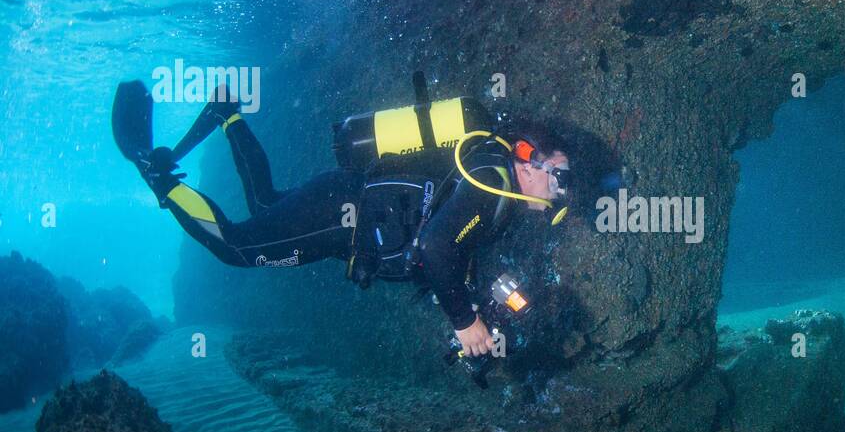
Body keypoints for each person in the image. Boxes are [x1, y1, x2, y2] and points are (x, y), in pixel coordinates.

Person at [111, 80, 570, 357]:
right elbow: (434, 247)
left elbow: (443, 241)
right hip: (341, 217)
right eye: (560, 179)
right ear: (532, 162)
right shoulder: (492, 183)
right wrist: (464, 321)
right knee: (236, 248)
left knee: (267, 205)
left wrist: (471, 302)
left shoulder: (489, 178)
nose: (561, 193)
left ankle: (228, 115)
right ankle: (161, 181)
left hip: (344, 201)